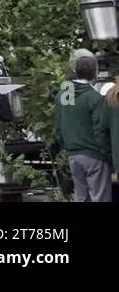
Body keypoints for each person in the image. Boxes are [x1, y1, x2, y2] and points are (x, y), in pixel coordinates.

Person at [53, 50, 112, 202]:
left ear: (76, 72)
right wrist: (107, 154)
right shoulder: (95, 98)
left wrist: (66, 145)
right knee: (99, 197)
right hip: (94, 155)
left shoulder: (65, 95)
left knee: (81, 197)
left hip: (73, 155)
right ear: (95, 73)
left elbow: (59, 126)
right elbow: (101, 130)